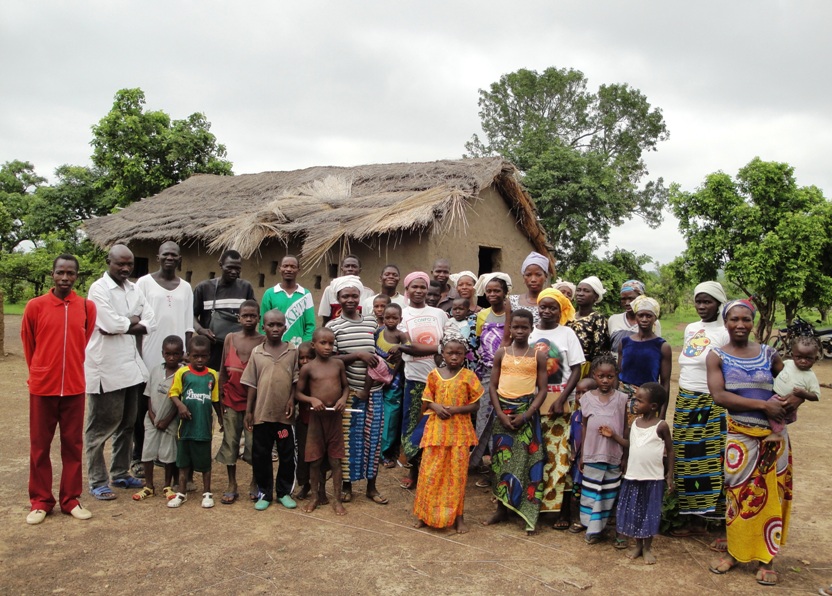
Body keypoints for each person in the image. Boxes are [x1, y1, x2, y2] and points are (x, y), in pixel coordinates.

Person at [706, 299, 812, 586]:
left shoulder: (769, 353)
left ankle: (767, 559)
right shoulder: (717, 355)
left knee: (772, 494)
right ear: (725, 322)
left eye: (746, 319)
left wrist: (796, 400)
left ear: (753, 322)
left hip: (774, 437)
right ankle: (735, 553)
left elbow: (795, 379)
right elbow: (720, 396)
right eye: (734, 319)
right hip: (740, 437)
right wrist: (764, 406)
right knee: (738, 495)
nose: (740, 325)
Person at [22, 254, 97, 524]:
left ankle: (70, 499)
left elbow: (83, 341)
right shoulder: (35, 306)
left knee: (73, 445)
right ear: (52, 274)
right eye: (60, 273)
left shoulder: (87, 308)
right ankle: (40, 501)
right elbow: (30, 345)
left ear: (77, 276)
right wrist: (41, 372)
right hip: (43, 388)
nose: (65, 278)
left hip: (75, 388)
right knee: (39, 446)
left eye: (70, 273)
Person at [85, 244, 155, 500]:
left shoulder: (134, 289)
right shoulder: (98, 289)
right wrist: (133, 321)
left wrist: (124, 324)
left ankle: (120, 472)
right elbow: (108, 323)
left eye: (130, 264)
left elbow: (151, 320)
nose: (125, 269)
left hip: (131, 368)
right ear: (109, 262)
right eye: (120, 264)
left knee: (126, 425)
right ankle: (98, 480)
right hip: (106, 369)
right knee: (100, 429)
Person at [671, 282, 730, 541]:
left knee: (710, 459)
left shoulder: (726, 331)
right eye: (699, 301)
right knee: (686, 458)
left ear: (718, 303)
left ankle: (717, 521)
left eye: (708, 301)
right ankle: (694, 520)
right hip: (685, 398)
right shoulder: (692, 328)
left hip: (710, 401)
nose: (702, 306)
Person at [482, 309, 547, 534]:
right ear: (510, 329)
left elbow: (543, 390)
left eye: (524, 327)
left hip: (525, 414)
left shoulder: (538, 355)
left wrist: (526, 415)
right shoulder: (502, 353)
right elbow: (492, 386)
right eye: (516, 327)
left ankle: (524, 510)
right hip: (503, 413)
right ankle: (502, 508)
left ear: (531, 329)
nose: (519, 331)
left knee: (527, 460)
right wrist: (500, 414)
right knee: (501, 462)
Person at [132, 241, 194, 477]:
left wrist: (186, 354)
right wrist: (138, 356)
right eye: (165, 254)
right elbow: (137, 321)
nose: (170, 258)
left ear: (179, 259)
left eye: (174, 255)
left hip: (177, 360)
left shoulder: (186, 287)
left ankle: (167, 455)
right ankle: (139, 455)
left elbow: (188, 324)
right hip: (149, 355)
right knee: (145, 406)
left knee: (172, 404)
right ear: (158, 257)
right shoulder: (144, 283)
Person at [325, 276, 388, 504]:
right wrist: (358, 355)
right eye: (345, 296)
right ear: (338, 298)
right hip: (349, 392)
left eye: (354, 295)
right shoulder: (333, 326)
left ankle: (372, 487)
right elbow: (332, 359)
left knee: (373, 440)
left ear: (360, 297)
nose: (350, 299)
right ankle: (347, 486)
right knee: (349, 440)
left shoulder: (371, 322)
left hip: (374, 392)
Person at [413, 337, 484, 534]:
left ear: (464, 355)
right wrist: (435, 406)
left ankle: (458, 517)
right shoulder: (434, 375)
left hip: (459, 432)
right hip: (436, 431)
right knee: (430, 473)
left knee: (457, 476)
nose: (454, 357)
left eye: (458, 353)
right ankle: (424, 515)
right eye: (450, 353)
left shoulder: (469, 376)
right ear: (442, 354)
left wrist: (455, 410)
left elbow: (475, 404)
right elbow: (427, 400)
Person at [529, 288, 585, 529]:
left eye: (553, 307)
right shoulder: (529, 332)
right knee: (535, 454)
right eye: (544, 306)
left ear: (561, 310)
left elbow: (576, 369)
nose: (547, 311)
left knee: (560, 455)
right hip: (532, 402)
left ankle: (561, 510)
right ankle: (534, 505)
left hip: (559, 404)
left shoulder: (567, 333)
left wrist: (563, 398)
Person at [601, 383, 674, 564]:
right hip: (633, 476)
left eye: (640, 401)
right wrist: (614, 436)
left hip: (653, 478)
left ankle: (647, 548)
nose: (635, 403)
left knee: (649, 513)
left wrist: (669, 474)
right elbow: (630, 445)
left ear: (653, 406)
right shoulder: (635, 422)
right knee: (636, 512)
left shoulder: (661, 426)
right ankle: (638, 546)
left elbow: (671, 451)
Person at [395, 272, 448, 490]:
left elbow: (448, 340)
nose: (419, 291)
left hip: (439, 378)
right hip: (415, 377)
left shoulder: (439, 314)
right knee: (413, 423)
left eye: (422, 287)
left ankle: (432, 470)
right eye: (414, 287)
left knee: (435, 424)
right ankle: (413, 469)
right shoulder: (402, 314)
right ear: (407, 290)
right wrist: (437, 348)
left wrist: (442, 350)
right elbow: (406, 347)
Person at [242, 309, 299, 511]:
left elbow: (295, 380)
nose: (275, 329)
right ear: (263, 327)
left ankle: (284, 492)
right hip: (262, 417)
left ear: (285, 327)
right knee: (261, 455)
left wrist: (292, 400)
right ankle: (265, 493)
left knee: (286, 454)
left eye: (279, 325)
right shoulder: (257, 353)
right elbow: (251, 384)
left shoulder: (292, 351)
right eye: (271, 325)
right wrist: (249, 412)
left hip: (283, 419)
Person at [296, 328, 350, 516]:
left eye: (331, 343)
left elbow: (345, 388)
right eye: (323, 343)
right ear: (314, 345)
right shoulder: (308, 368)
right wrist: (312, 400)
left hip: (334, 418)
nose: (327, 347)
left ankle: (336, 500)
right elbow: (298, 393)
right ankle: (315, 497)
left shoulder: (338, 365)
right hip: (316, 420)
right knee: (315, 460)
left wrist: (343, 400)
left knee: (336, 460)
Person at [215, 300, 262, 504]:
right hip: (231, 401)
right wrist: (221, 405)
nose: (249, 319)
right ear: (239, 318)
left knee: (254, 445)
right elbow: (223, 371)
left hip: (255, 404)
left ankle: (255, 482)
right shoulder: (230, 339)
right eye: (245, 315)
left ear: (259, 318)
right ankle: (231, 483)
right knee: (230, 443)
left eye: (253, 315)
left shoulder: (263, 340)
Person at [167, 335, 221, 509]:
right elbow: (173, 393)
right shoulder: (182, 373)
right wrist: (181, 406)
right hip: (186, 428)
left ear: (209, 356)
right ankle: (181, 493)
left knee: (205, 463)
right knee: (183, 463)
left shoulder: (212, 375)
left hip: (204, 427)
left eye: (204, 356)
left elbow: (215, 399)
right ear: (188, 355)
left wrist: (221, 418)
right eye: (195, 356)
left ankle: (207, 493)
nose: (199, 359)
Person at [579, 353, 628, 543]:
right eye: (601, 376)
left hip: (613, 454)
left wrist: (624, 456)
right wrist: (583, 454)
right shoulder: (586, 399)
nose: (606, 380)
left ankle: (602, 527)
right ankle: (591, 530)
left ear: (616, 375)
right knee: (592, 493)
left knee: (608, 492)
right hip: (592, 453)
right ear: (594, 375)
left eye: (610, 376)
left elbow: (624, 427)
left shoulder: (622, 399)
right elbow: (584, 426)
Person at [468, 273, 511, 480]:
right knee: (484, 416)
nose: (492, 294)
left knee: (502, 417)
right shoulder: (482, 315)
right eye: (489, 291)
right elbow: (479, 342)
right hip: (486, 372)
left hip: (509, 374)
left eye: (497, 291)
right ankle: (479, 462)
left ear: (505, 293)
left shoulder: (512, 314)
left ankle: (498, 466)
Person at [132, 335, 183, 502]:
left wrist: (167, 419)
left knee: (169, 454)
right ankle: (149, 486)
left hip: (170, 421)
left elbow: (180, 402)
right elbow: (148, 396)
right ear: (162, 353)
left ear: (182, 354)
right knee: (148, 452)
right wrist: (153, 417)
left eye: (176, 354)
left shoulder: (182, 373)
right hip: (152, 419)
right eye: (168, 354)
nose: (171, 357)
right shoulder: (155, 371)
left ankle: (167, 486)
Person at [193, 249, 255, 371]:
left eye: (238, 269)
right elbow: (191, 315)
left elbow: (253, 314)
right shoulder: (204, 288)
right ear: (220, 265)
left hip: (237, 348)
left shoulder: (245, 287)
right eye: (229, 268)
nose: (234, 272)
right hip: (212, 348)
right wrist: (201, 330)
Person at [617, 295, 672, 420]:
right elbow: (618, 374)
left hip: (648, 401)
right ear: (636, 316)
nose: (644, 319)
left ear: (655, 318)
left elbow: (665, 383)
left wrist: (662, 415)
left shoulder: (662, 346)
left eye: (649, 316)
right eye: (641, 315)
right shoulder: (625, 342)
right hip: (623, 399)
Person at [374, 304, 409, 469]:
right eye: (387, 317)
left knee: (391, 417)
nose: (390, 320)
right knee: (376, 414)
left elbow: (409, 350)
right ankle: (373, 450)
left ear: (400, 319)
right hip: (375, 379)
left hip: (394, 381)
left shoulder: (402, 336)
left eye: (395, 317)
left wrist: (400, 349)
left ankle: (385, 452)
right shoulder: (378, 332)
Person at [767, 336, 820, 442]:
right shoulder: (787, 364)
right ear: (792, 356)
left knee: (769, 407)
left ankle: (777, 433)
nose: (803, 361)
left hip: (784, 401)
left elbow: (816, 396)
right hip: (775, 394)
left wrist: (803, 394)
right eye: (799, 357)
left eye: (808, 358)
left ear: (816, 359)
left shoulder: (810, 376)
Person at [259, 254, 315, 346]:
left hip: (298, 348)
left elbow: (310, 325)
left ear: (298, 270)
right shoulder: (269, 294)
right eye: (285, 266)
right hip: (274, 346)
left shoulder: (306, 295)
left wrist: (304, 346)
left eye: (293, 267)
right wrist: (267, 345)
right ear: (279, 269)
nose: (289, 269)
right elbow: (263, 325)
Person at [293, 341, 323, 501]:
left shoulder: (321, 374)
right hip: (304, 421)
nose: (305, 361)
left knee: (320, 456)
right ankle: (305, 485)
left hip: (320, 422)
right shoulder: (299, 376)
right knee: (304, 455)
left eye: (308, 358)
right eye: (301, 358)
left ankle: (321, 488)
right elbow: (296, 396)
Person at [567, 377, 596, 533]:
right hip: (578, 463)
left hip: (592, 461)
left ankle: (592, 519)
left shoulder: (596, 417)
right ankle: (577, 519)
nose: (579, 397)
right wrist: (572, 453)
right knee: (576, 492)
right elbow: (572, 438)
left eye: (584, 393)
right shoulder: (575, 417)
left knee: (591, 492)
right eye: (577, 393)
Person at [567, 276, 610, 379]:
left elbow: (600, 353)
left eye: (586, 291)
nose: (580, 294)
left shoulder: (598, 319)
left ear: (595, 297)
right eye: (579, 290)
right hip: (565, 367)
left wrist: (591, 377)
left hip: (585, 369)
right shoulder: (568, 317)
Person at [607, 280, 662, 352]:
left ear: (641, 298)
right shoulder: (613, 320)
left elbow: (656, 349)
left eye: (631, 298)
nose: (627, 303)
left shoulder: (653, 322)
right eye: (623, 299)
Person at [318, 255, 375, 324]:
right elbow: (326, 317)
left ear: (359, 270)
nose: (350, 269)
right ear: (342, 269)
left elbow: (369, 318)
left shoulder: (368, 293)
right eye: (347, 266)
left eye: (354, 266)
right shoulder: (330, 290)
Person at [509, 251, 552, 324]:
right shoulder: (512, 301)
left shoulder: (552, 303)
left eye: (538, 275)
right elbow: (507, 331)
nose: (533, 280)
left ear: (546, 277)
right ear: (523, 277)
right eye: (528, 275)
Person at [443, 297, 475, 370]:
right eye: (455, 309)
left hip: (455, 351)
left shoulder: (464, 325)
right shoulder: (449, 320)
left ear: (467, 311)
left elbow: (462, 340)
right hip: (445, 349)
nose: (457, 311)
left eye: (461, 309)